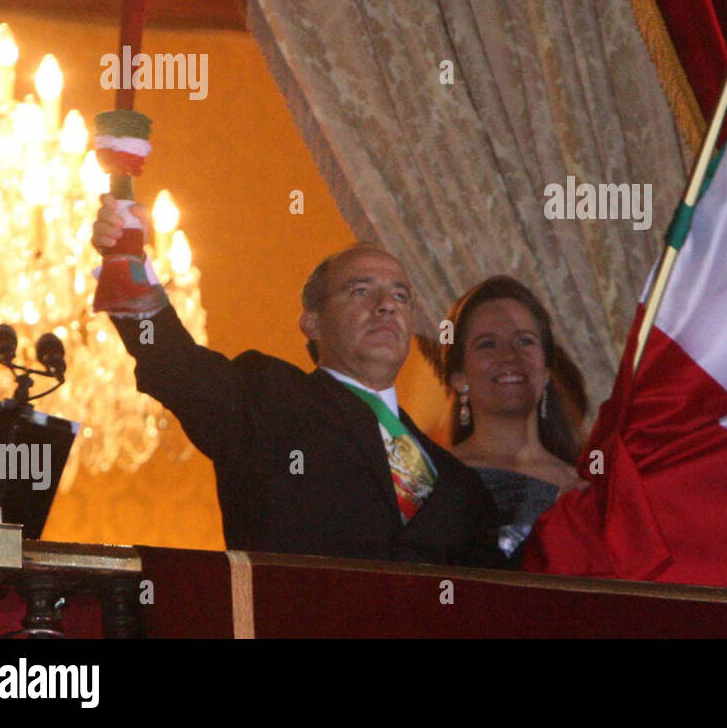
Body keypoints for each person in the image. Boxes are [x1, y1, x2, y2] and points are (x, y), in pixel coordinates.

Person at [92, 194, 504, 568]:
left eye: (400, 296)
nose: (385, 307)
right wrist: (124, 259)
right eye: (361, 291)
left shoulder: (459, 483)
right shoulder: (266, 399)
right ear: (312, 322)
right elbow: (174, 363)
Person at [440, 276, 587, 563]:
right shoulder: (433, 480)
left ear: (546, 370)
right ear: (459, 377)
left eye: (525, 341)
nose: (509, 356)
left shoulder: (581, 488)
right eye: (487, 344)